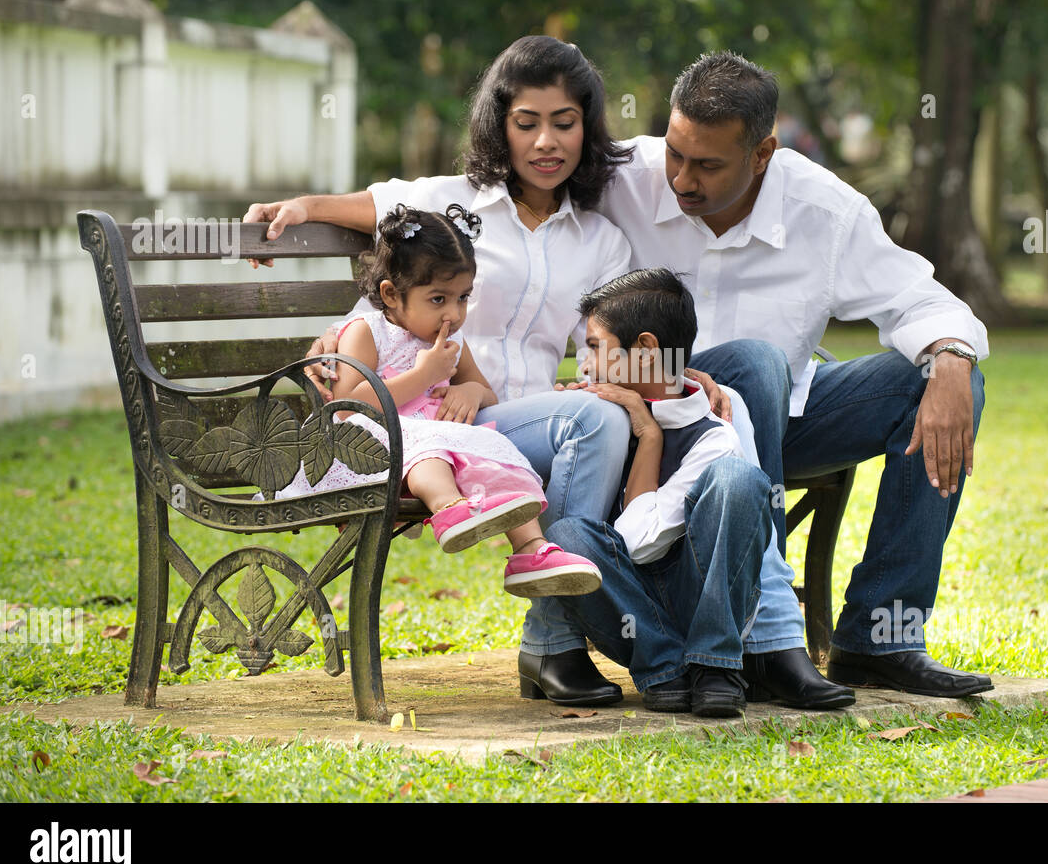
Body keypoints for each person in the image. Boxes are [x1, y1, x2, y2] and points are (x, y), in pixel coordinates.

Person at [244, 36, 733, 705]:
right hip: (428, 418)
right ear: (499, 126)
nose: (545, 141)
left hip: (518, 419)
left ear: (586, 125)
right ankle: (556, 644)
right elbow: (371, 207)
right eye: (525, 122)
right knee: (595, 418)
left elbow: (617, 337)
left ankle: (555, 636)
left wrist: (682, 377)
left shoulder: (600, 240)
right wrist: (298, 208)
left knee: (600, 415)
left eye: (564, 121)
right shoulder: (453, 203)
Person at [591, 51, 993, 698]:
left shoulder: (825, 211)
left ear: (762, 153)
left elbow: (923, 299)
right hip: (654, 428)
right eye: (675, 154)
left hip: (776, 419)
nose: (682, 178)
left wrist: (951, 357)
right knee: (753, 360)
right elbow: (499, 187)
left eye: (707, 164)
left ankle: (879, 639)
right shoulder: (625, 177)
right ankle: (766, 634)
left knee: (945, 380)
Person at [274, 201, 603, 598]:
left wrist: (469, 390)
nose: (455, 313)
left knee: (495, 447)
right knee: (431, 446)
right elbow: (346, 407)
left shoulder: (449, 343)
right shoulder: (366, 332)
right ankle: (450, 510)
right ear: (392, 295)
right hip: (366, 447)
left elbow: (486, 392)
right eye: (438, 299)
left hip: (432, 444)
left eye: (463, 297)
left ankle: (531, 551)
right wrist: (423, 376)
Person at [545, 268, 772, 717]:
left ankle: (714, 664)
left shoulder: (713, 437)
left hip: (699, 597)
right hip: (629, 611)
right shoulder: (596, 413)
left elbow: (638, 543)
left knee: (739, 480)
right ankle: (665, 666)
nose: (584, 365)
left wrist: (649, 435)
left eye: (594, 347)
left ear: (646, 349)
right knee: (568, 537)